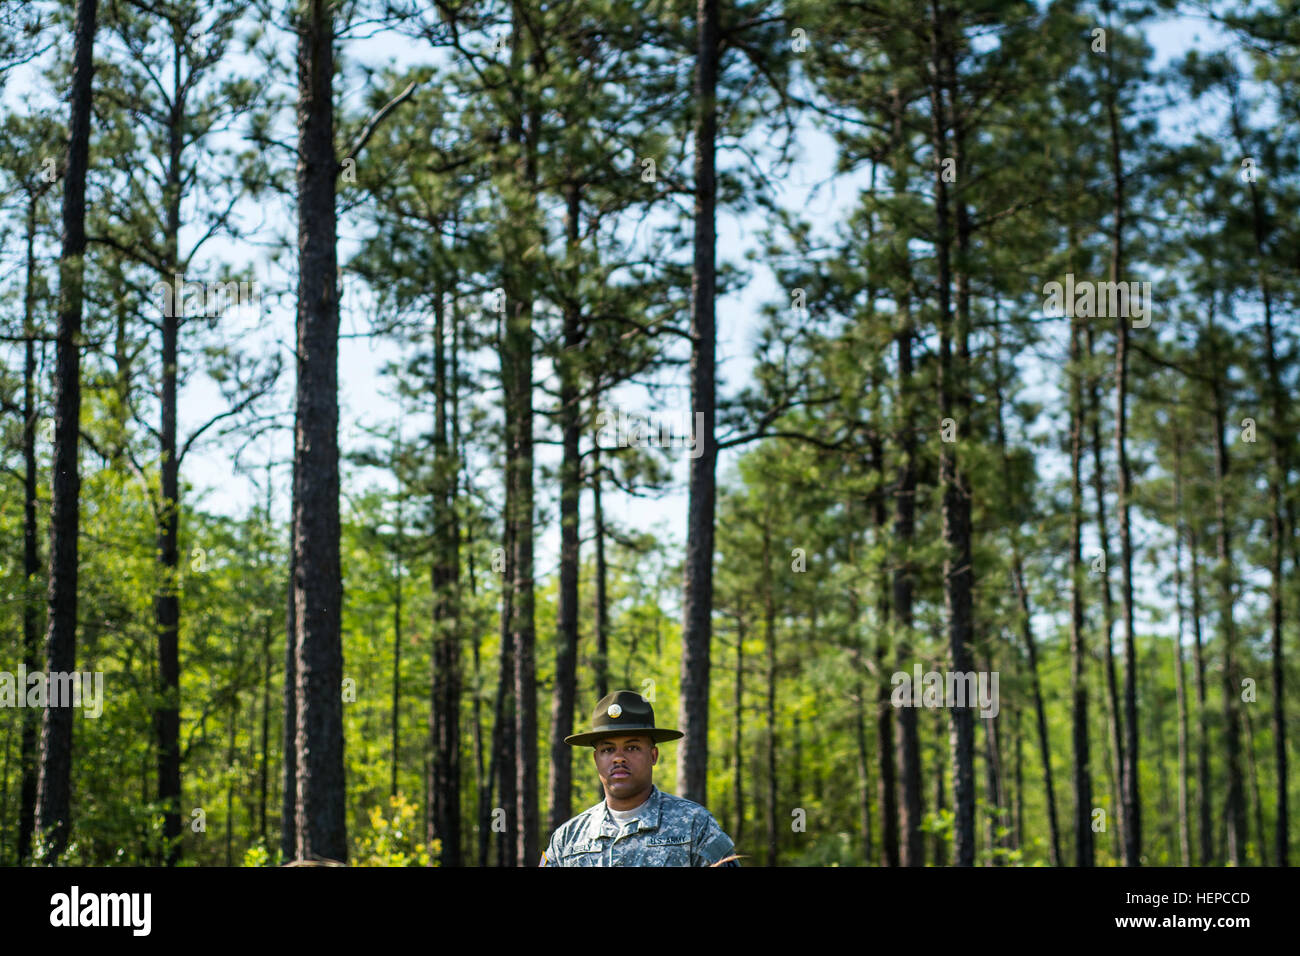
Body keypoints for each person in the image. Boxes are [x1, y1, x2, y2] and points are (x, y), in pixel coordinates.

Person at [539, 690, 739, 866]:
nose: (618, 758)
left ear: (653, 756)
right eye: (608, 749)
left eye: (632, 747)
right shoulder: (568, 839)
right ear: (596, 759)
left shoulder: (695, 826)